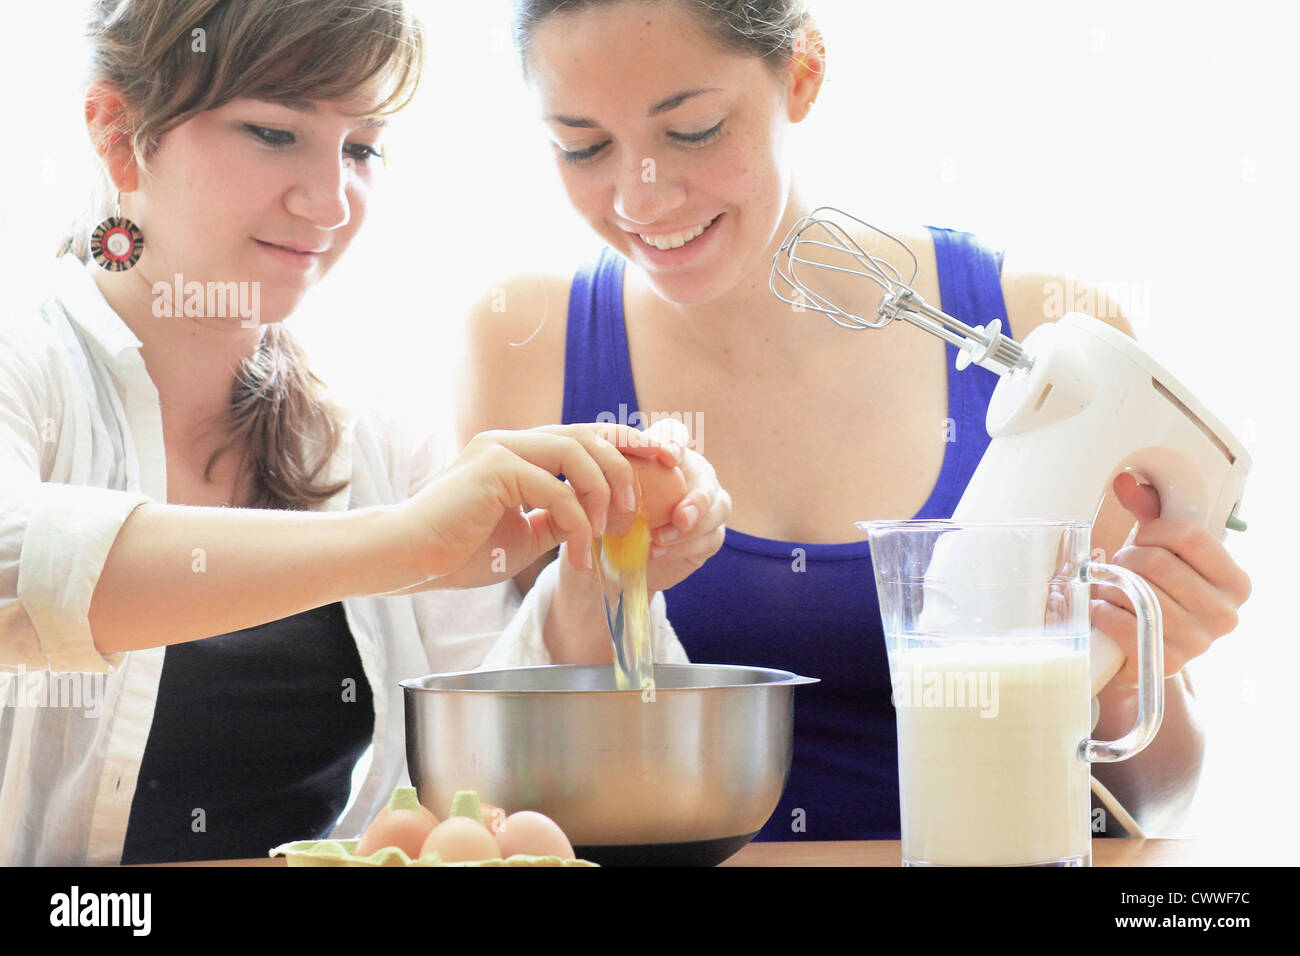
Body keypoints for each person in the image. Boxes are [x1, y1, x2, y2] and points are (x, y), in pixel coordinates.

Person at [458, 0, 1253, 841]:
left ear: (801, 72)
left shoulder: (1048, 338)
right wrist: (598, 599)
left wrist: (1136, 675)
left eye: (692, 130)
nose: (638, 197)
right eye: (582, 146)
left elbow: (1157, 805)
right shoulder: (524, 344)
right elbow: (488, 800)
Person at [0, 0, 728, 866]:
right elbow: (20, 565)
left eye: (362, 148)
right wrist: (405, 543)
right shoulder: (26, 358)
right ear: (119, 133)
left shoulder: (370, 421)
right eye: (274, 133)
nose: (331, 202)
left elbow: (489, 791)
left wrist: (597, 580)